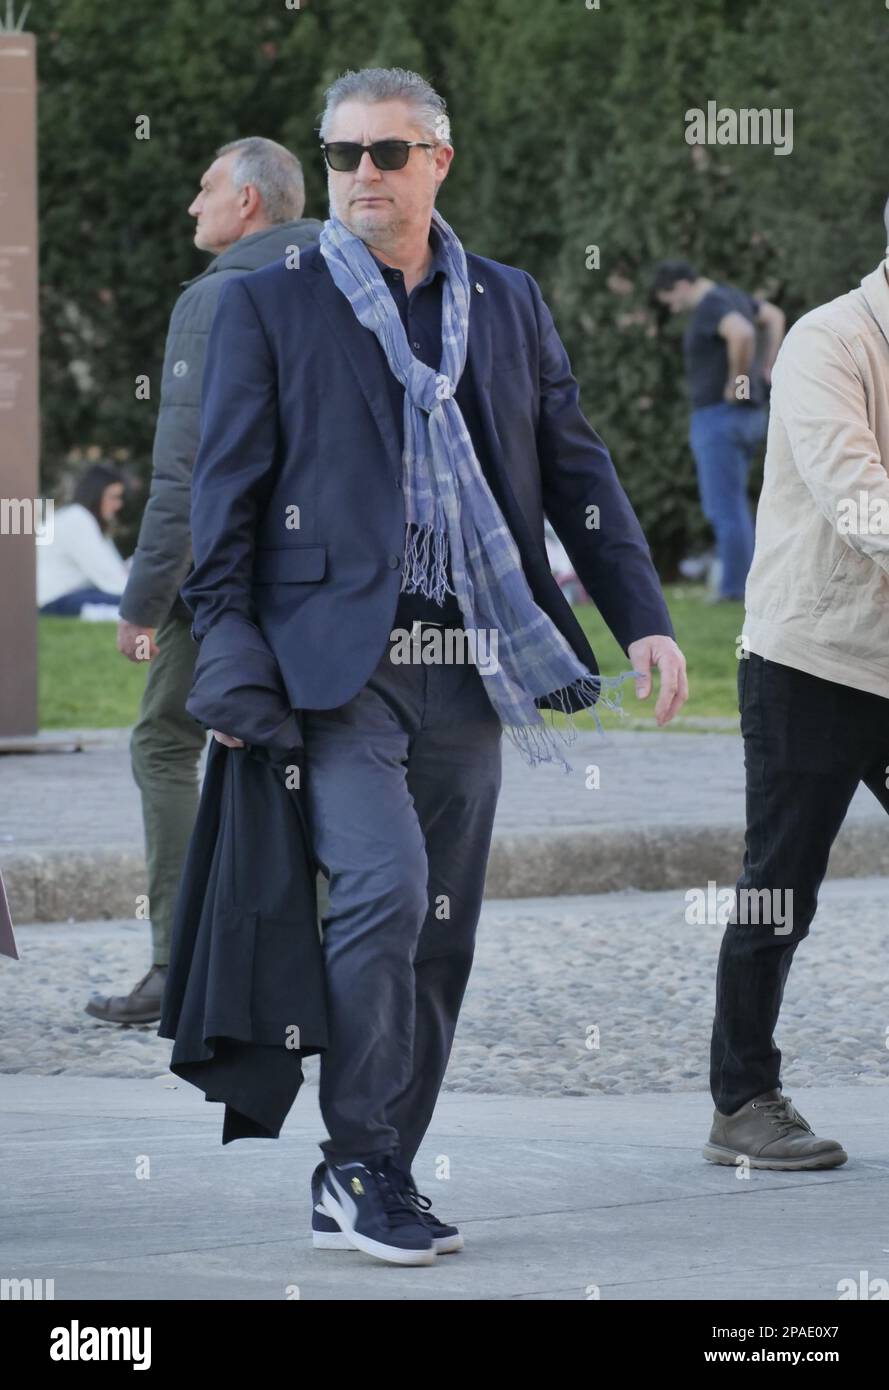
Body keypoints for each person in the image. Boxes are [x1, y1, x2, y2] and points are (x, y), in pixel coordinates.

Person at [181, 66, 688, 1266]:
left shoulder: (505, 302)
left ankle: (377, 1169)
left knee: (442, 931)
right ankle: (356, 1156)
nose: (362, 173)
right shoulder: (274, 302)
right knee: (387, 890)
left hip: (470, 658)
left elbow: (577, 468)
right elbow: (225, 508)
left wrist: (643, 619)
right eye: (344, 152)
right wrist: (235, 672)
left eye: (388, 154)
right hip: (332, 670)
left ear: (437, 163)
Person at [85, 138, 322, 1024]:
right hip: (326, 579)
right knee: (318, 752)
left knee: (162, 740)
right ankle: (334, 962)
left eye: (205, 189)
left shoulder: (219, 296)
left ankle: (177, 965)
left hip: (223, 580)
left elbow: (185, 471)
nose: (194, 206)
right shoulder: (345, 277)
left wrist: (144, 600)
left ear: (251, 203)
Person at [704, 200, 889, 1171]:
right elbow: (860, 495)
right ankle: (741, 1100)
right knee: (780, 887)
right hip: (811, 660)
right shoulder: (829, 341)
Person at [652, 260, 785, 600]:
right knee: (736, 505)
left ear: (682, 284)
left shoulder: (710, 305)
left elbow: (741, 332)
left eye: (667, 296)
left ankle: (734, 590)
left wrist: (737, 382)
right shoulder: (735, 296)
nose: (670, 305)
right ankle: (757, 586)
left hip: (721, 416)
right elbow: (773, 316)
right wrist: (768, 366)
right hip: (749, 416)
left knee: (724, 507)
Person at [37, 463, 129, 617]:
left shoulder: (89, 521)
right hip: (54, 601)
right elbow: (110, 578)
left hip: (72, 595)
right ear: (96, 495)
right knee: (137, 606)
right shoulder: (77, 519)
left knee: (139, 604)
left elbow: (114, 571)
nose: (118, 505)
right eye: (113, 497)